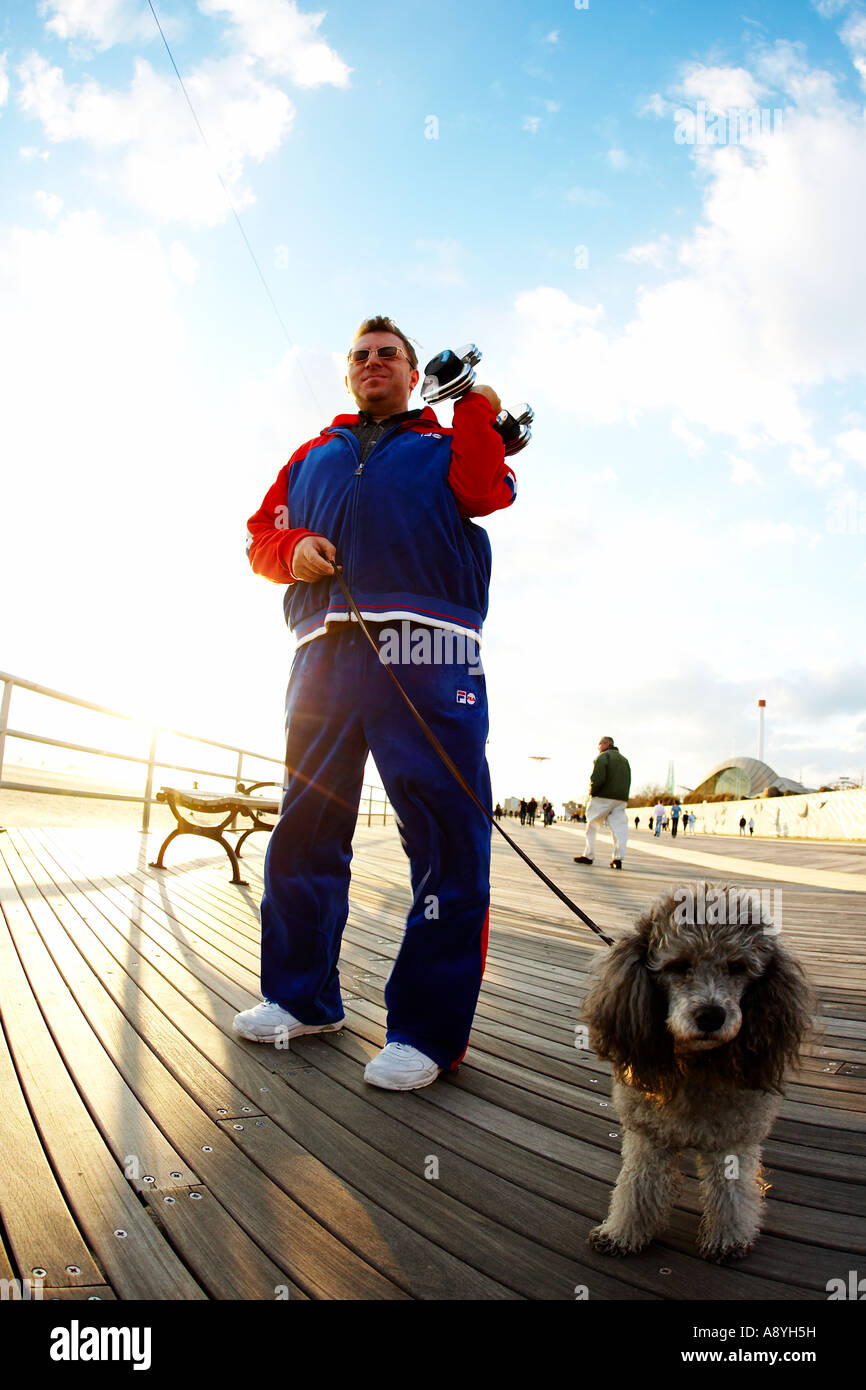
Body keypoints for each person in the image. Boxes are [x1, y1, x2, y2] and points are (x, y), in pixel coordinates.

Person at [233, 315, 516, 1091]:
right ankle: (301, 999)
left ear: (412, 370)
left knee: (446, 836)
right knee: (305, 827)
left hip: (429, 650)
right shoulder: (310, 455)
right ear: (348, 372)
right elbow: (260, 535)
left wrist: (479, 408)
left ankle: (426, 1032)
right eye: (360, 355)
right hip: (322, 650)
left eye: (387, 354)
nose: (372, 363)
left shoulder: (447, 441)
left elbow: (489, 491)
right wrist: (291, 553)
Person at [573, 736, 632, 869]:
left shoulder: (603, 757)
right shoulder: (624, 760)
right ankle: (617, 859)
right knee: (620, 830)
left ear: (607, 744)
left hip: (602, 797)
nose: (598, 748)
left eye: (599, 744)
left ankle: (588, 855)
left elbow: (597, 777)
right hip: (620, 799)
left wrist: (592, 792)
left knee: (592, 825)